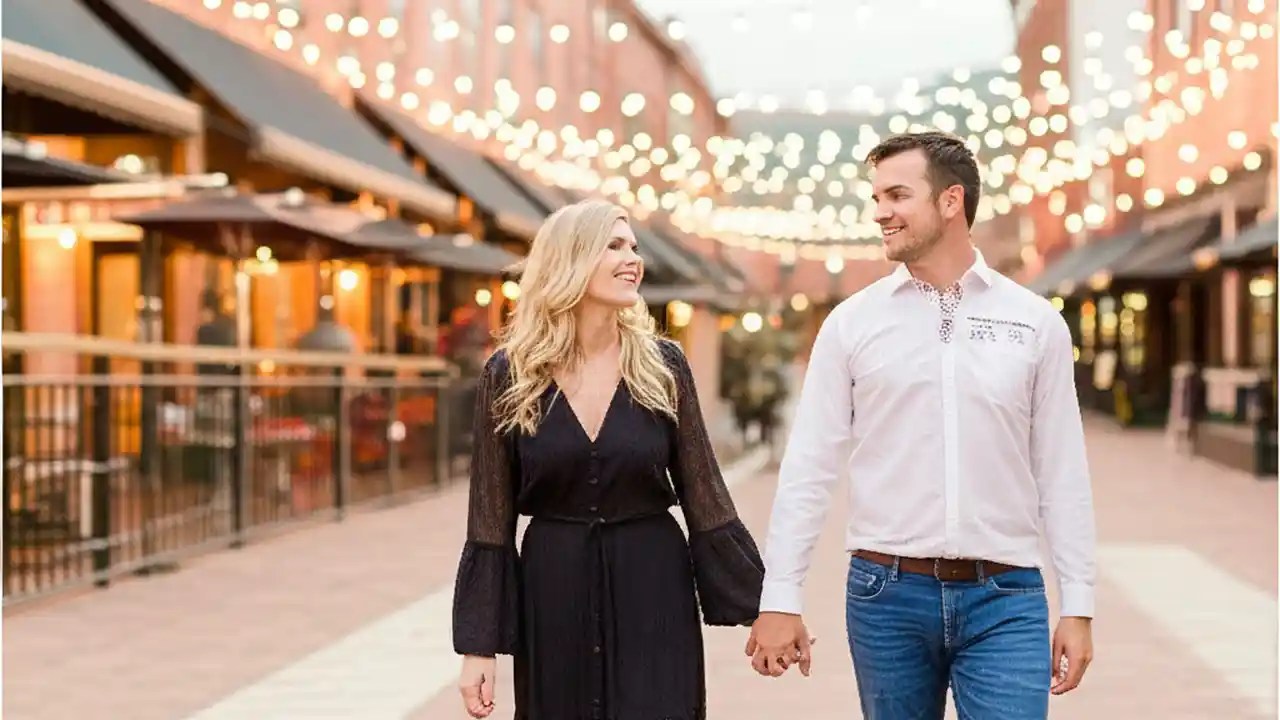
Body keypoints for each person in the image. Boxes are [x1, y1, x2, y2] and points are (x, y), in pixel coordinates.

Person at [747, 131, 1097, 719]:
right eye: (877, 196)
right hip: (885, 597)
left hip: (1007, 598)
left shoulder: (1034, 324)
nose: (880, 211)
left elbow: (1062, 472)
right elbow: (808, 468)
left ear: (950, 201)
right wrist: (780, 596)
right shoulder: (851, 324)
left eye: (898, 195)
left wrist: (1079, 604)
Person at [452, 199, 765, 719]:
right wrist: (478, 647)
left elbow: (706, 497)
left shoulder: (664, 366)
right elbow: (489, 519)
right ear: (570, 260)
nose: (633, 259)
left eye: (634, 247)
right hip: (553, 590)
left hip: (653, 585)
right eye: (614, 245)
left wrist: (764, 606)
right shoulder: (509, 374)